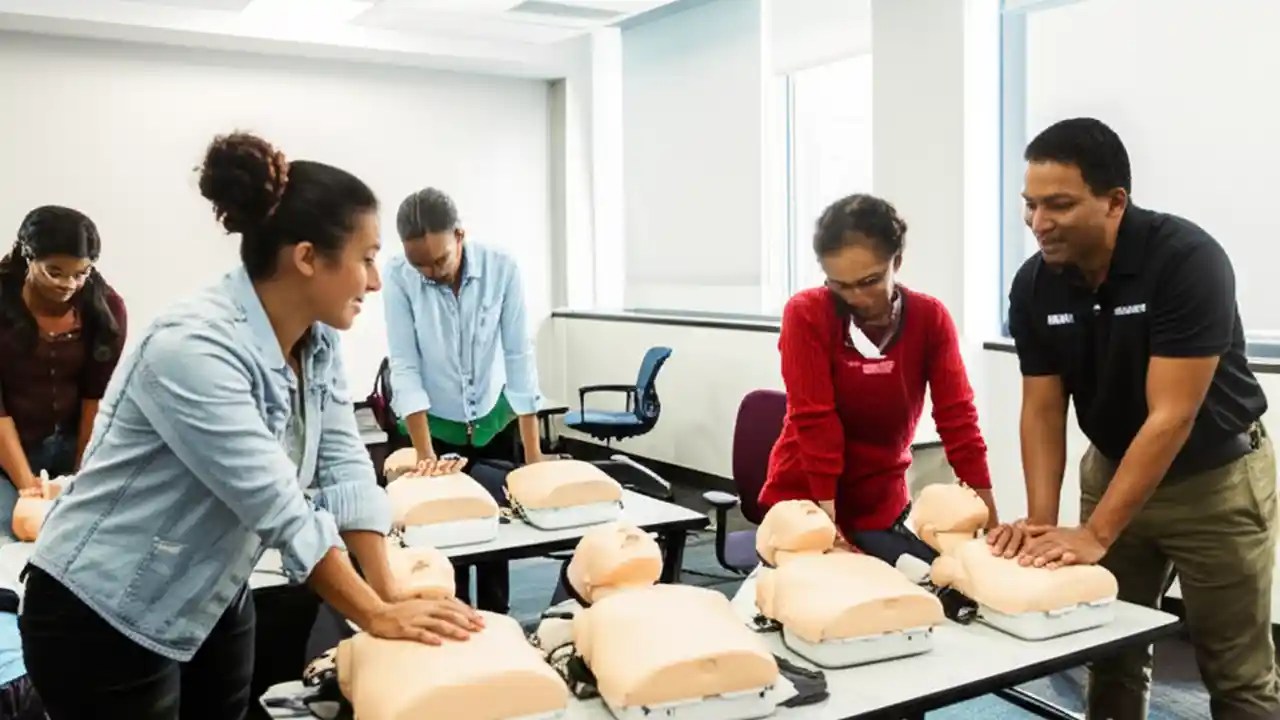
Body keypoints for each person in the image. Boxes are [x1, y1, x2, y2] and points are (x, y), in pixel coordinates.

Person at [17, 132, 482, 719]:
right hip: (104, 607)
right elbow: (279, 505)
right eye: (366, 258)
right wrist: (372, 614)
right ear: (308, 257)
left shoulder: (314, 340)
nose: (376, 280)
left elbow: (342, 464)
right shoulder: (193, 347)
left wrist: (386, 589)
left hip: (209, 588)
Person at [989, 117, 1278, 720]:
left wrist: (1094, 535)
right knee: (1110, 650)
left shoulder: (1186, 260)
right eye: (1031, 205)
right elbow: (1042, 408)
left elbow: (1172, 415)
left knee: (1236, 672)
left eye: (1060, 205)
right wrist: (1044, 523)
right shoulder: (1036, 284)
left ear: (1115, 201)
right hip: (1115, 467)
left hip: (1214, 483)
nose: (1039, 223)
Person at [758, 194, 998, 567]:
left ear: (896, 262)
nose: (855, 297)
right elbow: (814, 418)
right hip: (804, 504)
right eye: (839, 284)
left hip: (880, 504)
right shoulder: (807, 314)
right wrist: (827, 524)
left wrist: (988, 518)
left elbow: (958, 419)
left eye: (869, 281)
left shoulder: (929, 318)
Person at [383, 187, 545, 613]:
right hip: (432, 424)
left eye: (439, 260)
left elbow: (518, 358)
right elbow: (405, 365)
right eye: (421, 264)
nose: (431, 272)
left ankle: (497, 621)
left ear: (459, 235)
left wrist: (534, 457)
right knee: (442, 540)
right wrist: (424, 456)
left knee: (497, 533)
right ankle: (452, 624)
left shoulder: (502, 268)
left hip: (492, 417)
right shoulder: (400, 277)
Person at [0, 206, 126, 540]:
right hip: (8, 450)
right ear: (28, 257)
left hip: (72, 444)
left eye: (81, 273)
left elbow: (95, 398)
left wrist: (78, 478)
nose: (69, 284)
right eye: (54, 272)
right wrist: (29, 489)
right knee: (15, 532)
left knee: (92, 529)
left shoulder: (105, 309)